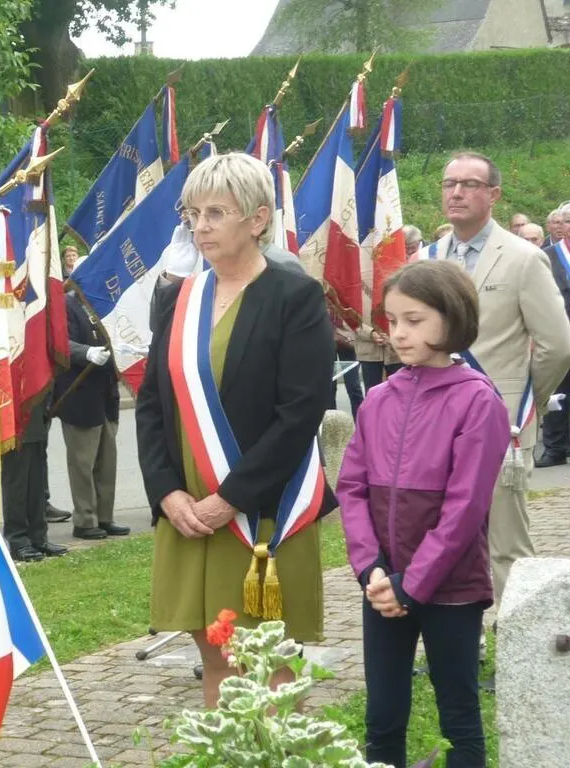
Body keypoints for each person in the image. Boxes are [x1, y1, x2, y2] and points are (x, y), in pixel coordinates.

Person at [137, 152, 336, 708]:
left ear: (257, 219)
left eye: (216, 212)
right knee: (215, 659)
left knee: (263, 663)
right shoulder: (179, 298)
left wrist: (230, 499)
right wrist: (167, 492)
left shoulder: (294, 298)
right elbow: (152, 403)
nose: (200, 226)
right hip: (188, 514)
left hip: (260, 514)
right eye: (193, 213)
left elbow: (301, 411)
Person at [338, 259, 510, 768]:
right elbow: (352, 488)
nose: (399, 333)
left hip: (450, 587)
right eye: (392, 320)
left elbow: (464, 507)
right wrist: (371, 568)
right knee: (382, 715)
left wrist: (413, 582)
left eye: (414, 320)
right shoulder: (377, 400)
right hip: (383, 584)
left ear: (452, 318)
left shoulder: (478, 402)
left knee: (458, 713)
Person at [418, 151, 570, 609]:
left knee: (507, 542)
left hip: (500, 423)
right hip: (434, 422)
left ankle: (516, 638)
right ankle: (457, 637)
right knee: (441, 535)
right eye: (449, 183)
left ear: (494, 194)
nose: (457, 192)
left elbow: (557, 343)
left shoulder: (524, 258)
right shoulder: (427, 259)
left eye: (469, 184)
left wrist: (526, 397)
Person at [53, 287, 129, 541]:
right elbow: (60, 341)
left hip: (105, 393)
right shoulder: (67, 303)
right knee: (83, 462)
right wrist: (85, 352)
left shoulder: (103, 301)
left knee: (108, 460)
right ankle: (85, 520)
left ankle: (105, 517)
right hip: (79, 393)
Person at [1, 396, 69, 560]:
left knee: (37, 480)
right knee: (18, 481)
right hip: (15, 408)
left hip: (35, 409)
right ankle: (18, 540)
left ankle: (38, 537)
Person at [539, 202, 570, 467]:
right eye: (567, 221)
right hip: (560, 338)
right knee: (558, 395)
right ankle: (555, 448)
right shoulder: (547, 256)